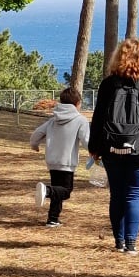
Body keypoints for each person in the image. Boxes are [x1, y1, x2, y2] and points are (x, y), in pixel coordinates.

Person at [86, 38, 139, 256]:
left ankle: (119, 242)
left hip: (111, 148)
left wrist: (94, 147)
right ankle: (131, 245)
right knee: (133, 195)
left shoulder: (108, 84)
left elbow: (98, 118)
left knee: (117, 195)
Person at [29, 85, 90, 228]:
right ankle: (47, 190)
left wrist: (34, 145)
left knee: (58, 189)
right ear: (77, 104)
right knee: (66, 191)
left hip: (52, 160)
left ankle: (53, 219)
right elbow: (86, 140)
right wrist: (95, 152)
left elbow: (36, 134)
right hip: (66, 162)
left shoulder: (53, 120)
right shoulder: (80, 120)